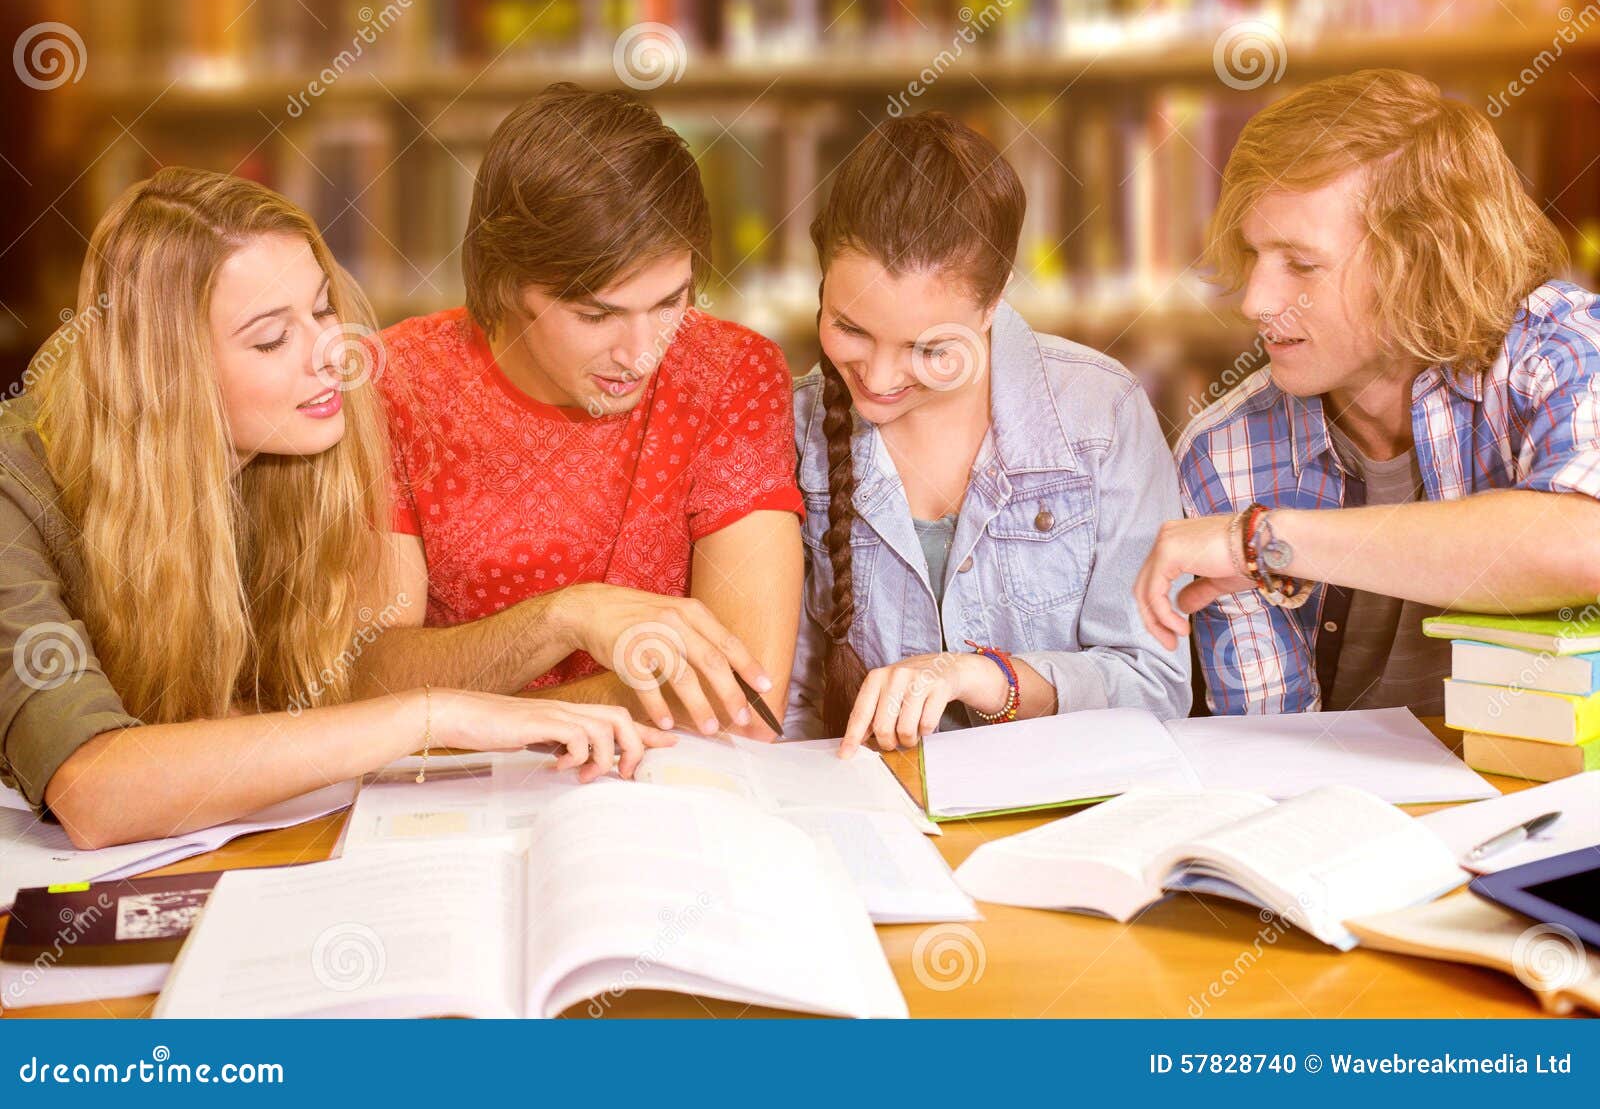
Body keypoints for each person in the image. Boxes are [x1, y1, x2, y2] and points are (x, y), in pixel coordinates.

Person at [0, 167, 668, 850]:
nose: (330, 354)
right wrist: (427, 715)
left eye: (321, 310)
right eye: (269, 339)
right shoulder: (13, 492)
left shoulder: (292, 454)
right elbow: (93, 791)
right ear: (167, 372)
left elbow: (292, 708)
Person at [1137, 69, 1600, 715]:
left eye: (1301, 264)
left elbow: (1585, 546)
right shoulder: (1224, 450)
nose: (1254, 301)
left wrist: (1263, 540)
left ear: (1422, 260)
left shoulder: (1559, 351)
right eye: (1254, 255)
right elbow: (1272, 740)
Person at [353, 84, 805, 738]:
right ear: (506, 282)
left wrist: (459, 711)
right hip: (455, 810)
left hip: (661, 806)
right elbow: (366, 679)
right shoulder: (395, 384)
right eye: (597, 315)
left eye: (670, 302)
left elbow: (743, 701)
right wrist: (562, 616)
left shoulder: (731, 372)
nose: (641, 352)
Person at [786, 111, 1190, 753]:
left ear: (994, 298)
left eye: (927, 347)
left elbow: (1155, 686)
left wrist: (987, 679)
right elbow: (789, 707)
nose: (881, 376)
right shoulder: (795, 429)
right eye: (851, 329)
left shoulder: (1100, 415)